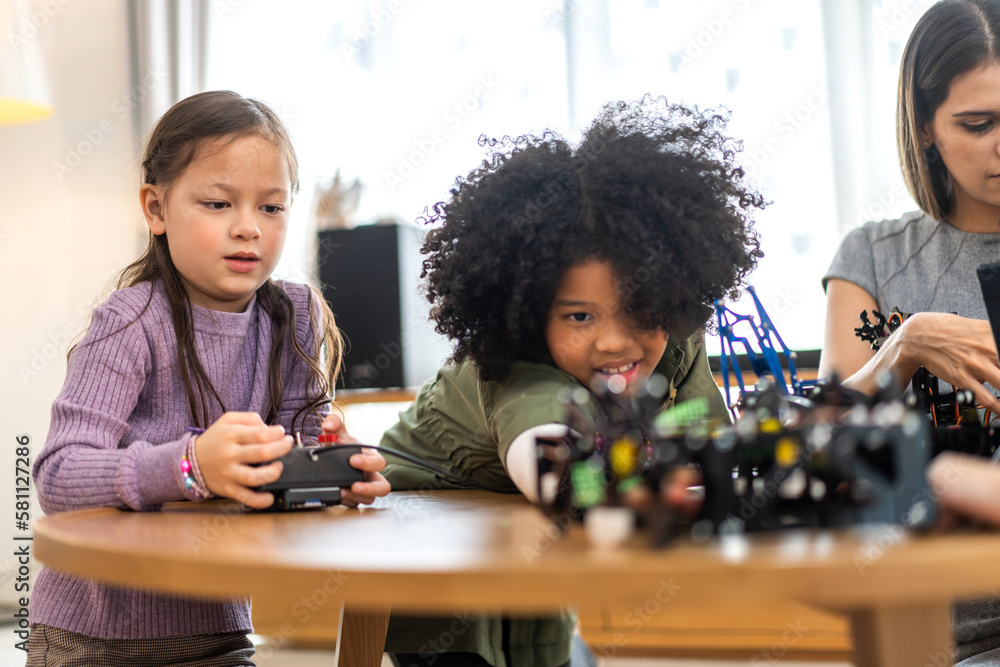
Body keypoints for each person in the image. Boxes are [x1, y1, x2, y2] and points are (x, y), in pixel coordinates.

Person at [332, 95, 763, 667]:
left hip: (530, 554)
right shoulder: (519, 372)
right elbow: (557, 473)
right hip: (429, 550)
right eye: (579, 317)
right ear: (533, 312)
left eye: (639, 308)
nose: (614, 342)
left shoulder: (676, 346)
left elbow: (708, 442)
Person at [28, 90, 390, 666]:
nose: (248, 228)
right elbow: (58, 476)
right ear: (156, 209)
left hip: (218, 636)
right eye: (219, 204)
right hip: (93, 640)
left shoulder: (295, 315)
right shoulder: (131, 321)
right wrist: (192, 465)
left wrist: (328, 470)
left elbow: (285, 464)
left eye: (271, 208)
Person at [819, 1, 1000, 663]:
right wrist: (904, 345)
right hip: (918, 632)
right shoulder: (872, 258)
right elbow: (824, 440)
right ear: (925, 128)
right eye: (978, 124)